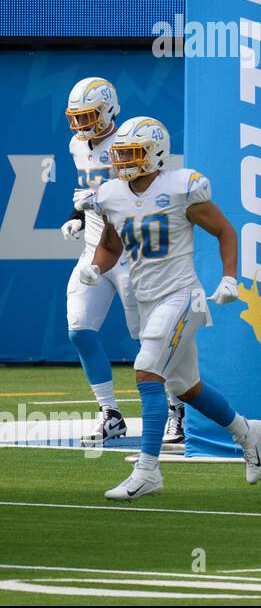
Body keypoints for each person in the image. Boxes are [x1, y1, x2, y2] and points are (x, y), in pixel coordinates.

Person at [75, 117, 261, 501]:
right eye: (120, 154)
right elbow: (111, 245)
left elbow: (225, 231)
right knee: (187, 388)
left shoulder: (181, 188)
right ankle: (247, 431)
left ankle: (148, 471)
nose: (124, 162)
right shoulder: (111, 194)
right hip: (148, 300)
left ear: (155, 153)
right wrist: (96, 267)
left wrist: (230, 278)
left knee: (146, 371)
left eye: (132, 154)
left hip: (182, 297)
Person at [61, 78, 139, 446]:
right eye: (76, 116)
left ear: (108, 109)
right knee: (79, 328)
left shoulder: (128, 141)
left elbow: (142, 192)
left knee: (148, 338)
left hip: (130, 254)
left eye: (88, 115)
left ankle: (176, 410)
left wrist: (103, 199)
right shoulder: (78, 144)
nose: (81, 124)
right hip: (94, 251)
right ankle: (110, 413)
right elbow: (85, 186)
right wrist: (78, 213)